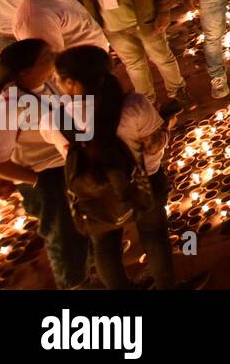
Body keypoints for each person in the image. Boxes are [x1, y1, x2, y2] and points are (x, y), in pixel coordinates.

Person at [48, 45, 200, 290]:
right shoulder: (133, 104)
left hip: (92, 192)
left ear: (69, 82)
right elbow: (154, 147)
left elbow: (67, 154)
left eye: (57, 78)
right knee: (154, 235)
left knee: (106, 246)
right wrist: (166, 128)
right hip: (146, 181)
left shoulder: (55, 118)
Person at [0, 39, 90, 289]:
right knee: (62, 237)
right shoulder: (8, 105)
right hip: (45, 178)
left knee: (81, 228)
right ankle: (74, 286)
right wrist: (37, 181)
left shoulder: (45, 82)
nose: (55, 55)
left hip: (67, 164)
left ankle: (94, 275)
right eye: (46, 56)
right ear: (25, 71)